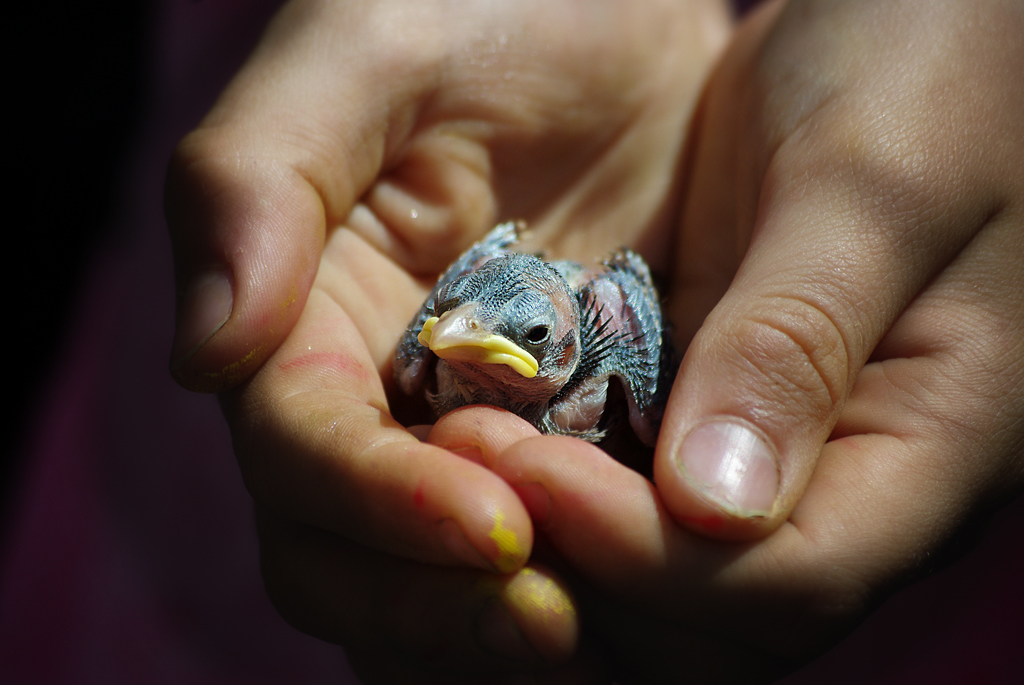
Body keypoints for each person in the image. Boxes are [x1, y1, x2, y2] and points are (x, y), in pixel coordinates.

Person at [165, 0, 1024, 681]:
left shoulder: (599, 348)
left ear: (568, 345)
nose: (455, 340)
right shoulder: (439, 348)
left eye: (527, 336)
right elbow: (450, 325)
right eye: (457, 319)